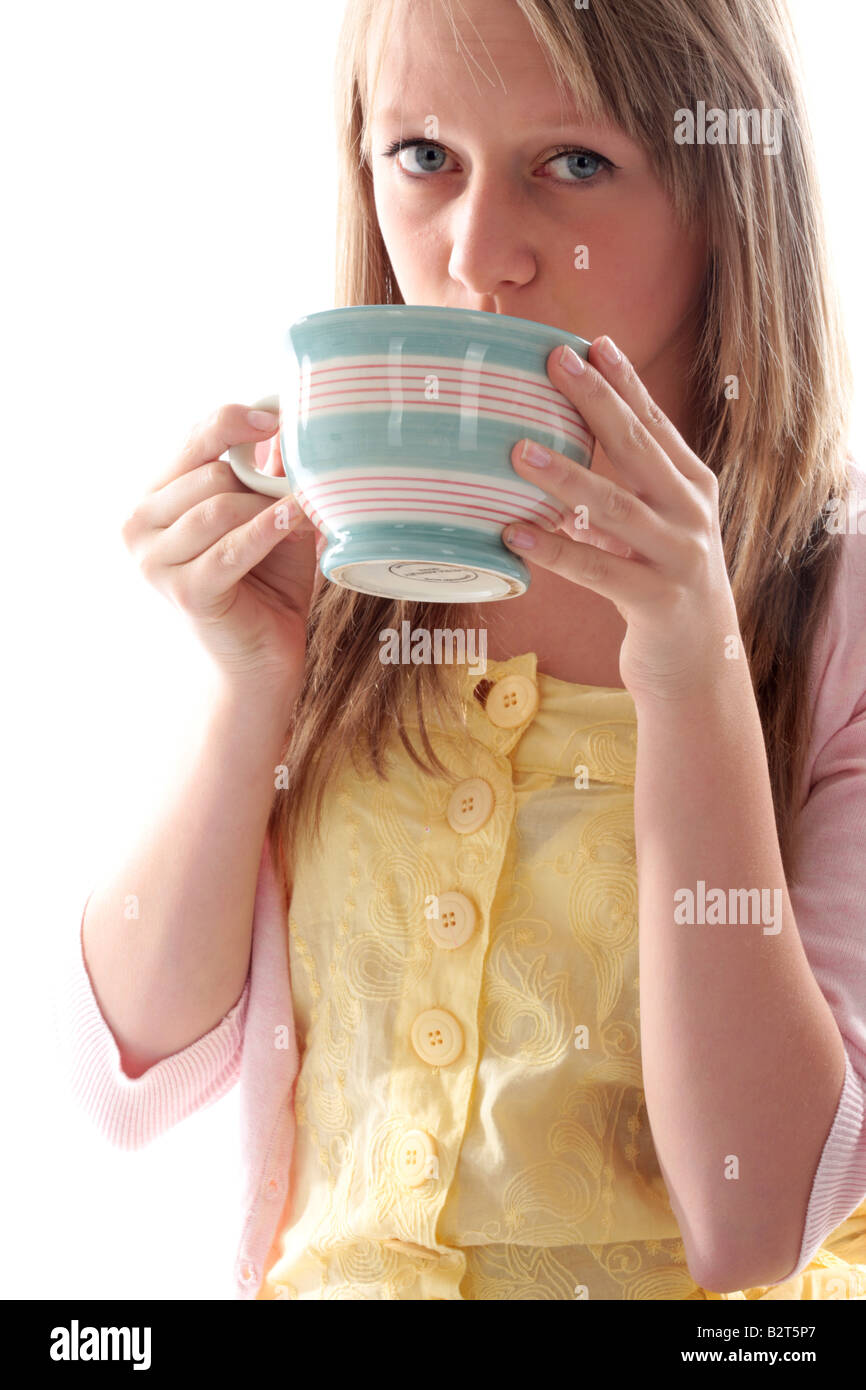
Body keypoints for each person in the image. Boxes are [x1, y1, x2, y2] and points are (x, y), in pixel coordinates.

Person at [63, 0, 866, 1300]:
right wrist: (249, 690)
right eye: (424, 158)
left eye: (575, 164)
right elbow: (125, 1072)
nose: (479, 254)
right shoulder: (321, 550)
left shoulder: (827, 596)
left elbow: (756, 1215)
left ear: (726, 192)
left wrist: (690, 668)